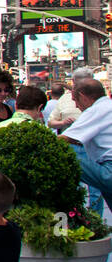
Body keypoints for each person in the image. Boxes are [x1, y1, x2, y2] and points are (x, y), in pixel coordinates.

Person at [57, 77, 112, 212]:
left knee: (66, 151)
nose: (76, 106)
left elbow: (65, 138)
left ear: (82, 96)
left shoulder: (96, 110)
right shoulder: (108, 105)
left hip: (109, 170)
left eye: (75, 100)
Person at [47, 67, 90, 132]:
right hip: (69, 139)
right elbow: (50, 122)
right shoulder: (65, 98)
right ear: (73, 81)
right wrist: (63, 123)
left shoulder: (98, 98)